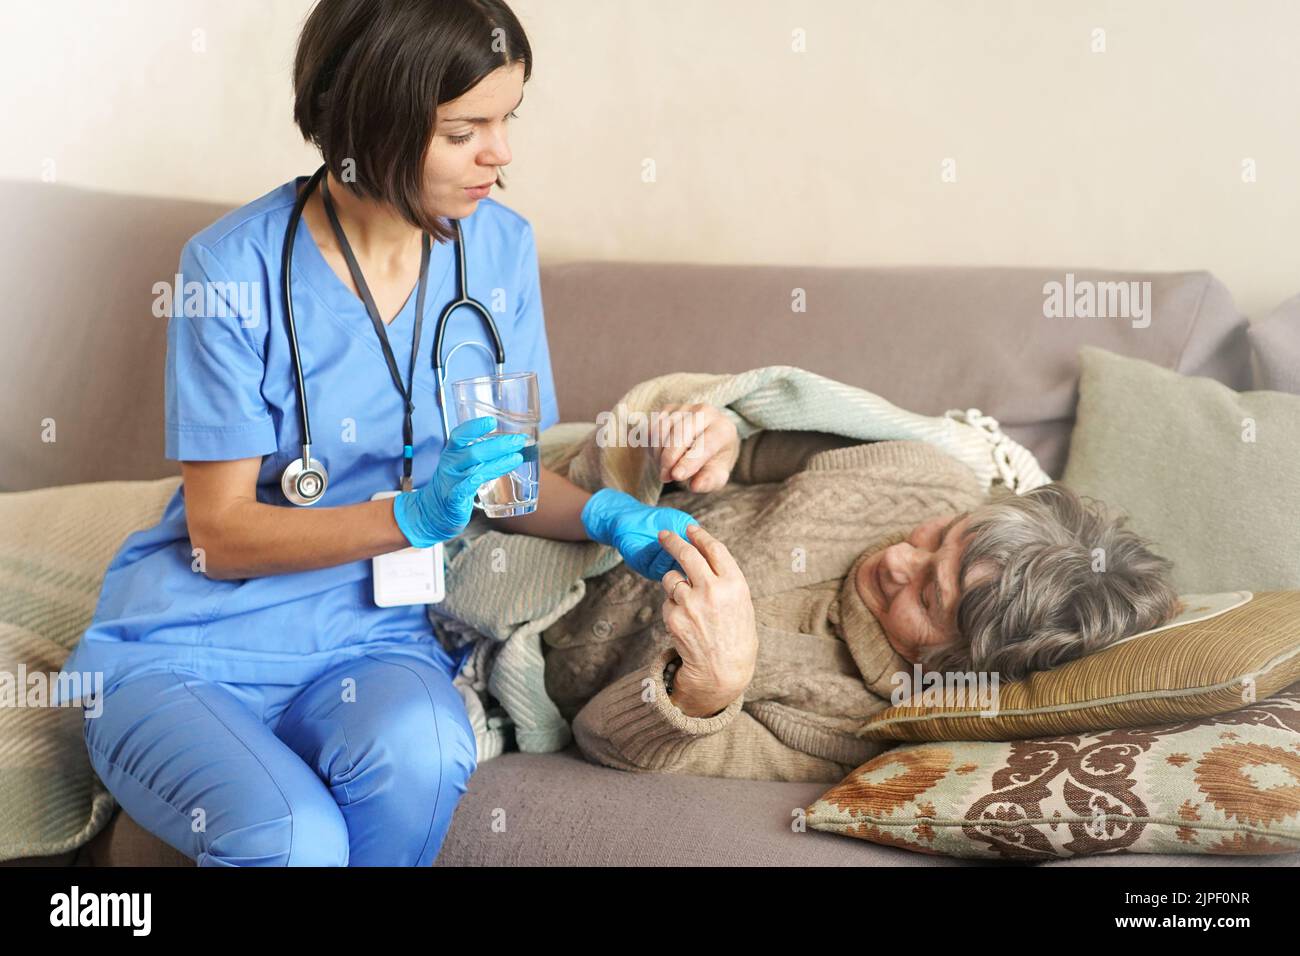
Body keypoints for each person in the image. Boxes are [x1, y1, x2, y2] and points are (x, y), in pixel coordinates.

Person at [54, 0, 743, 867]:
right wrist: (413, 516)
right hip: (191, 647)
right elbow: (220, 535)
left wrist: (612, 514)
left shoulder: (497, 251)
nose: (501, 154)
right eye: (464, 131)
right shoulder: (231, 269)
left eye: (507, 119)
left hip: (371, 637)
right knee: (292, 838)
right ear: (368, 123)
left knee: (423, 753)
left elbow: (505, 480)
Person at [545, 427, 1183, 782]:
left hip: (521, 645)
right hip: (562, 498)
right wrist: (715, 447)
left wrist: (707, 692)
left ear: (953, 661)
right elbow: (760, 443)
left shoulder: (851, 726)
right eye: (939, 536)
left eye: (929, 596)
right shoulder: (922, 474)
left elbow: (602, 741)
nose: (899, 560)